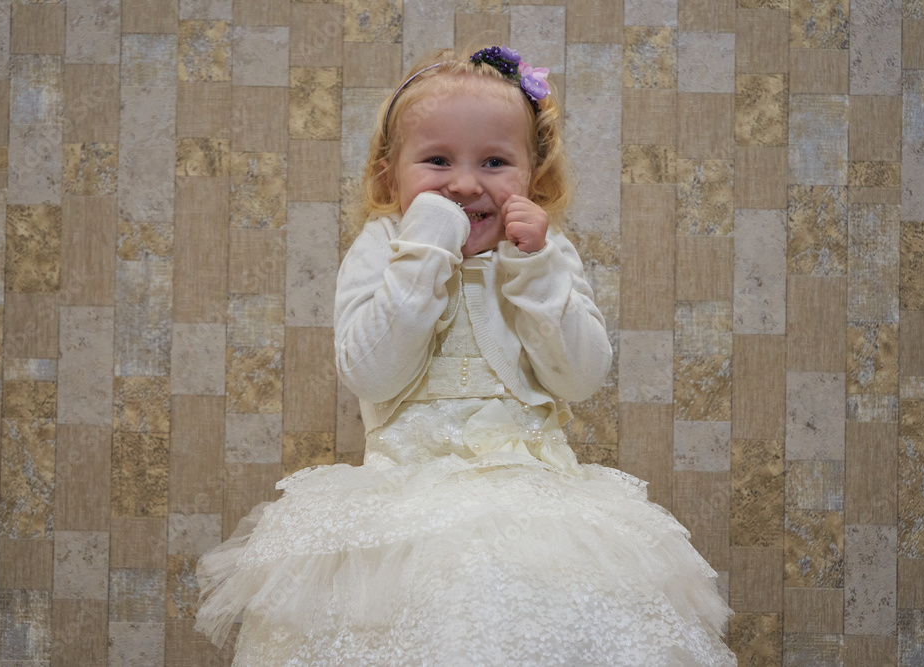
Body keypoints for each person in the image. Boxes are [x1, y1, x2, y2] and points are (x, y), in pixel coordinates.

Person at [196, 45, 736, 666]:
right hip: (402, 506)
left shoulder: (546, 255)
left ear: (535, 177)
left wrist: (534, 271)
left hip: (536, 505)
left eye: (495, 161)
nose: (464, 183)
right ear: (387, 177)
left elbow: (581, 377)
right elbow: (372, 372)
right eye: (436, 160)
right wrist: (425, 246)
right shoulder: (386, 248)